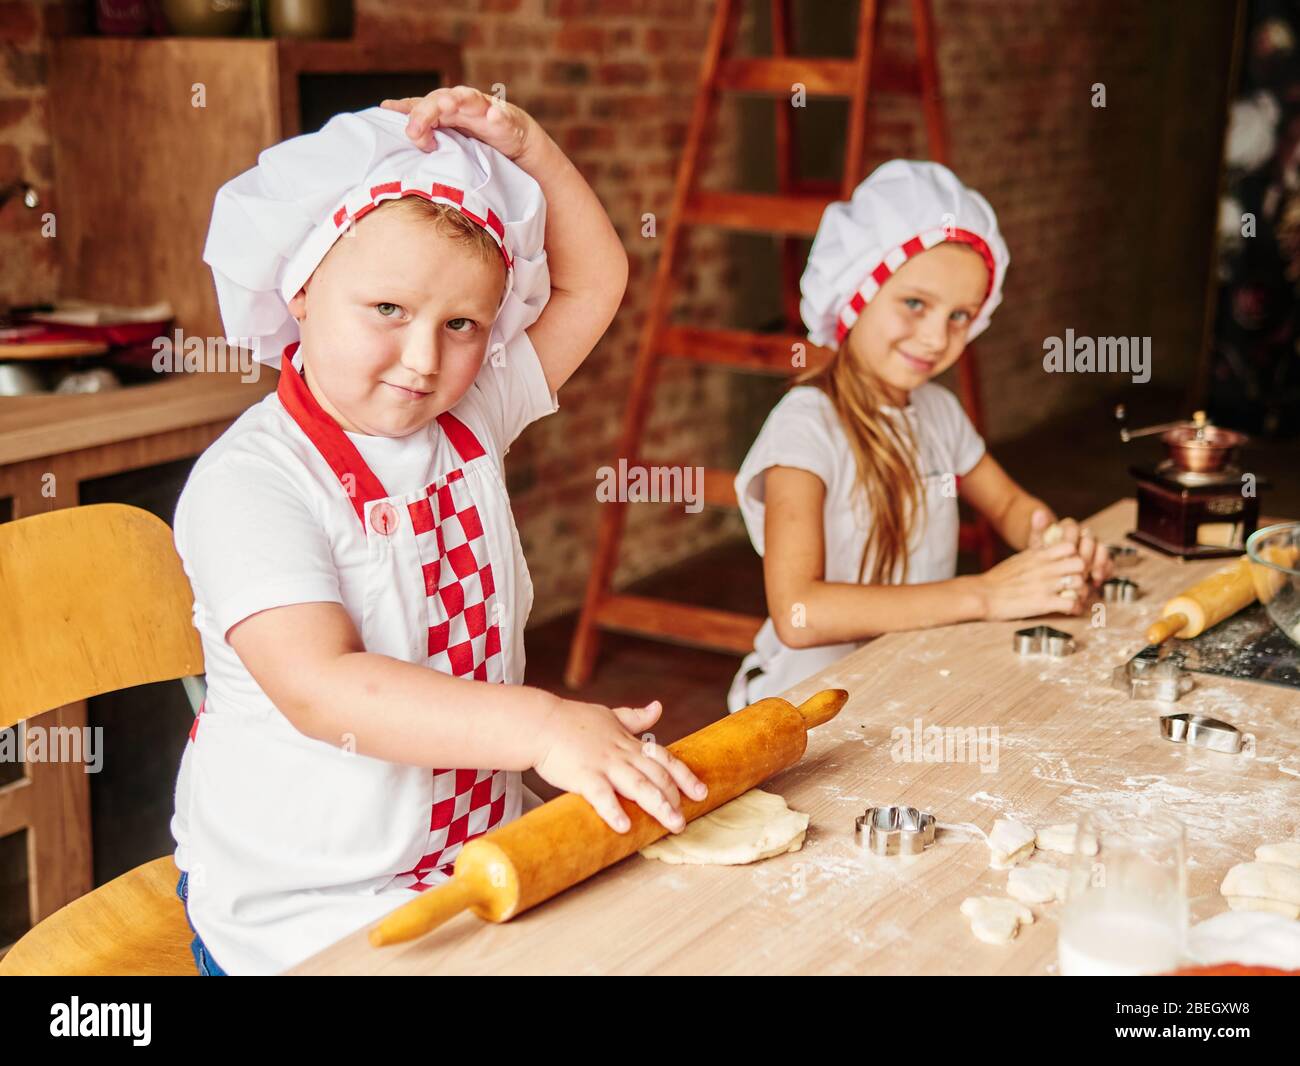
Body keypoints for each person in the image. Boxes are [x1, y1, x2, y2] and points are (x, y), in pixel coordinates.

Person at [172, 87, 705, 974]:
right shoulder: (254, 480)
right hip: (303, 902)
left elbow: (596, 279)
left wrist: (530, 145)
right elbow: (322, 688)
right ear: (301, 290)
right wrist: (543, 730)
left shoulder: (470, 417)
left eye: (462, 325)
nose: (424, 360)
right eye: (387, 311)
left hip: (470, 856)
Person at [727, 160, 1112, 712]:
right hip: (806, 711)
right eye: (914, 304)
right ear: (855, 297)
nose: (936, 337)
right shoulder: (805, 427)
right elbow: (798, 613)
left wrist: (1055, 545)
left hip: (907, 687)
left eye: (960, 316)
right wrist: (986, 594)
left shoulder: (939, 413)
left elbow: (1008, 505)